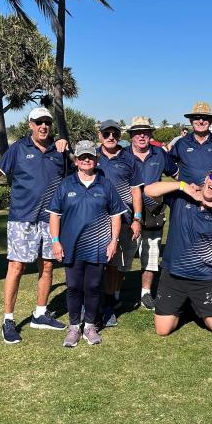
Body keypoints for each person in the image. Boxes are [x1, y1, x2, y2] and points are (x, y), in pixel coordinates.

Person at [0, 107, 70, 345]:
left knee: (47, 266)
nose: (43, 126)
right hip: (22, 218)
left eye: (47, 122)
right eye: (38, 122)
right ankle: (8, 320)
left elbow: (71, 177)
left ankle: (40, 314)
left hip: (50, 219)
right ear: (30, 125)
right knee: (17, 267)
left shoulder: (59, 150)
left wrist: (66, 145)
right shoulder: (19, 149)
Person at [144, 169, 212, 337]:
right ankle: (184, 305)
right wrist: (182, 186)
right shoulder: (181, 198)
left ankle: (192, 303)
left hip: (203, 279)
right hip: (173, 275)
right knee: (162, 330)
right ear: (206, 178)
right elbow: (149, 191)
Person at [48, 141, 127, 348]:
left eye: (90, 157)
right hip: (71, 245)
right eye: (82, 157)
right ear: (75, 160)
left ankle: (90, 326)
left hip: (98, 245)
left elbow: (115, 215)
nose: (86, 160)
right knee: (73, 287)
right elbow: (54, 215)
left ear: (96, 159)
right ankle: (74, 327)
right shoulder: (66, 184)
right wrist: (55, 241)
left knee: (92, 287)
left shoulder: (105, 184)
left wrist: (113, 241)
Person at [96, 119, 143, 327]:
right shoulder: (91, 156)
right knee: (96, 263)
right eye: (107, 133)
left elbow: (136, 191)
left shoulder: (128, 159)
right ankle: (94, 303)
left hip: (123, 218)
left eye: (115, 133)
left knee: (115, 265)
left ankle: (109, 303)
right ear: (100, 136)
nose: (111, 137)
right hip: (96, 219)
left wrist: (137, 218)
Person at [128, 116, 178, 310]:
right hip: (129, 211)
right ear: (131, 135)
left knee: (151, 253)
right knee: (123, 254)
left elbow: (177, 174)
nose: (142, 135)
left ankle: (145, 293)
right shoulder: (123, 154)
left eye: (146, 132)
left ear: (150, 135)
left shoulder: (159, 154)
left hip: (154, 209)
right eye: (137, 132)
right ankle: (114, 293)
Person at [169, 101, 212, 184]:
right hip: (186, 195)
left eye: (205, 118)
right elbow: (168, 162)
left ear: (211, 121)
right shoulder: (181, 143)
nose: (201, 121)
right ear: (191, 120)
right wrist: (178, 176)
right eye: (197, 117)